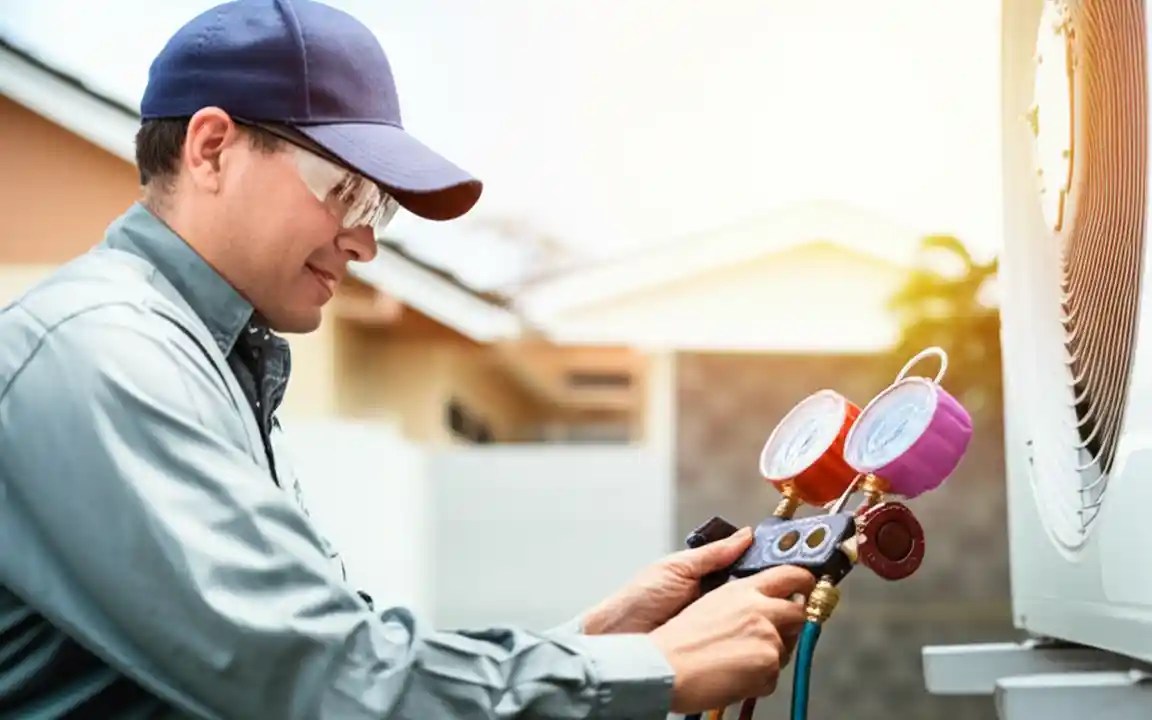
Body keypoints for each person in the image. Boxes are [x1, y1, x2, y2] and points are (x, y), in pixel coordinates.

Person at [0, 1, 817, 718]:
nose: (362, 240)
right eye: (345, 191)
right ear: (212, 148)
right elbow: (309, 677)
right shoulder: (103, 353)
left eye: (377, 207)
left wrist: (600, 636)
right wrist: (644, 670)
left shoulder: (207, 362)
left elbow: (321, 665)